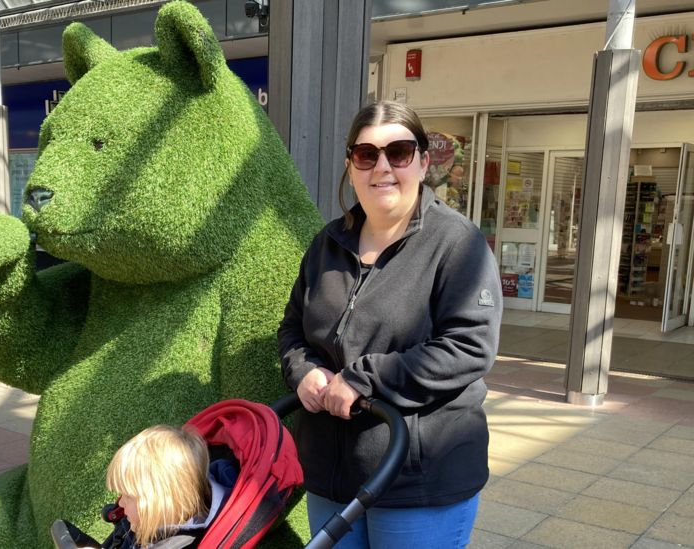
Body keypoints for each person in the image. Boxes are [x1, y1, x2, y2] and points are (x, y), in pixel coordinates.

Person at [278, 101, 502, 548]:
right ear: (351, 165)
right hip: (332, 476)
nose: (382, 167)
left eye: (398, 152)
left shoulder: (457, 244)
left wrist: (362, 380)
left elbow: (469, 346)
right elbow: (293, 330)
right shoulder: (327, 244)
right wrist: (304, 373)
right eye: (367, 155)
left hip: (418, 480)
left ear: (421, 161)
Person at [95, 425, 231, 549]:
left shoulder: (176, 545)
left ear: (162, 505)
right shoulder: (155, 521)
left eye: (128, 496)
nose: (121, 502)